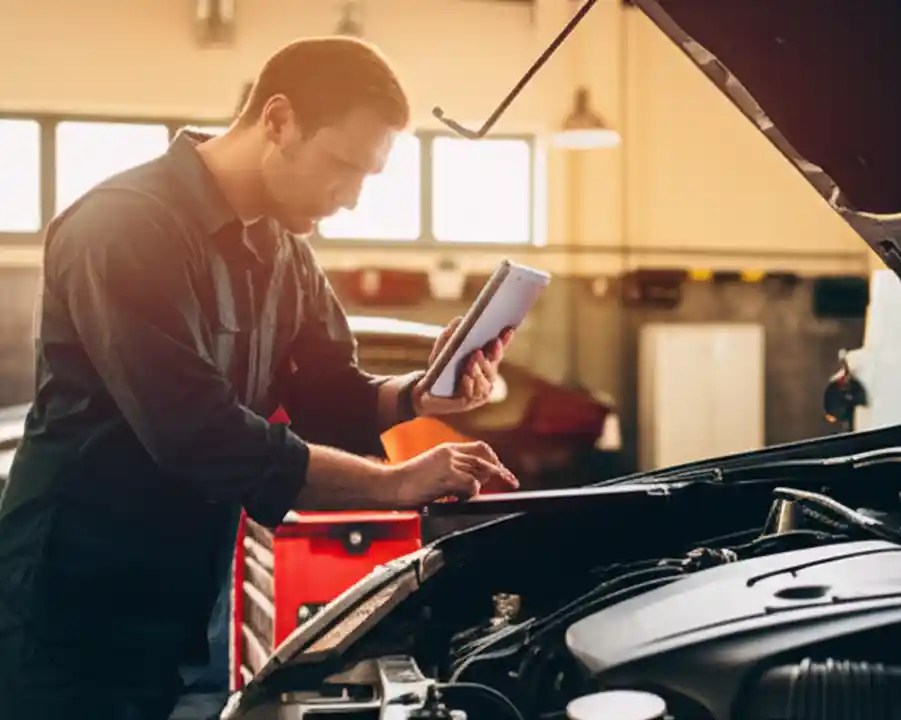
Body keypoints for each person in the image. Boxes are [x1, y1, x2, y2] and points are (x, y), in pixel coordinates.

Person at [0, 36, 518, 720]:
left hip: (190, 607)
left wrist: (422, 393)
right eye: (342, 166)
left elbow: (329, 393)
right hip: (75, 613)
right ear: (278, 121)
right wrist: (393, 483)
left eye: (369, 177)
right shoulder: (125, 227)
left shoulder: (280, 249)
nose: (352, 200)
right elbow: (197, 434)